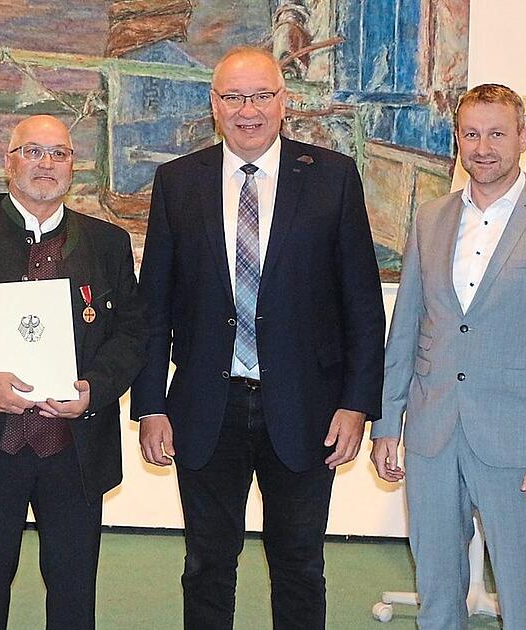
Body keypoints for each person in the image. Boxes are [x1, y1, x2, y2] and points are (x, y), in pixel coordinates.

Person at [130, 47, 385, 629]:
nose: (249, 111)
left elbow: (362, 305)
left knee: (299, 564)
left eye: (262, 95)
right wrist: (149, 405)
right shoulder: (177, 182)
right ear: (214, 104)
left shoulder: (333, 178)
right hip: (204, 406)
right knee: (206, 563)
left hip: (306, 407)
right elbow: (156, 304)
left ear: (284, 101)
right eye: (234, 97)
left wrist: (356, 404)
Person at [0, 115, 146, 630]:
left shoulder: (107, 243)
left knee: (73, 590)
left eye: (58, 153)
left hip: (76, 447)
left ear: (73, 166)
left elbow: (133, 334)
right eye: (33, 152)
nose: (46, 164)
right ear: (9, 161)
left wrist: (95, 389)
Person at [372, 83, 526, 629]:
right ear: (457, 138)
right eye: (471, 133)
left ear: (522, 138)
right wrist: (388, 424)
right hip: (432, 437)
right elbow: (406, 330)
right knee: (437, 591)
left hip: (520, 445)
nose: (483, 147)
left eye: (497, 134)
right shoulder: (430, 219)